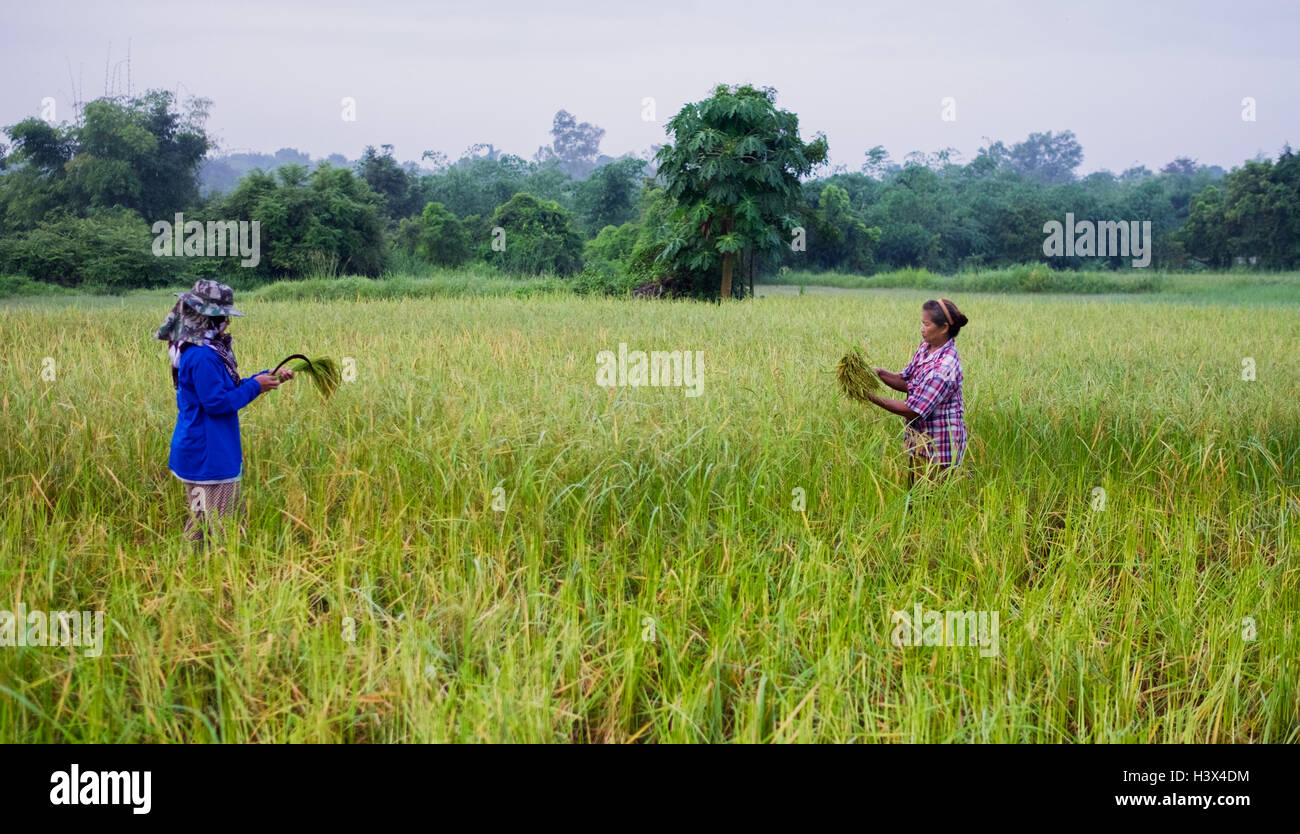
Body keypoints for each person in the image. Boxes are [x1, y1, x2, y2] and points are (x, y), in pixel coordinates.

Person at [155, 280, 291, 543]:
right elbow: (216, 404)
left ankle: (187, 573)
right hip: (210, 456)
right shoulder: (204, 356)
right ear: (209, 320)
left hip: (197, 451)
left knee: (200, 523)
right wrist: (256, 386)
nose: (227, 322)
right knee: (224, 528)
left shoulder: (195, 350)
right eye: (224, 317)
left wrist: (266, 378)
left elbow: (226, 389)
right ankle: (224, 578)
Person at [866, 298, 969, 486]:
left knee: (932, 504)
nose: (922, 328)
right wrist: (878, 373)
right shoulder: (926, 348)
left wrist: (870, 396)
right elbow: (908, 382)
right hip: (919, 441)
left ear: (944, 327)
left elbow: (913, 410)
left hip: (940, 446)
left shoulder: (945, 367)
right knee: (914, 499)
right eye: (922, 323)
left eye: (926, 324)